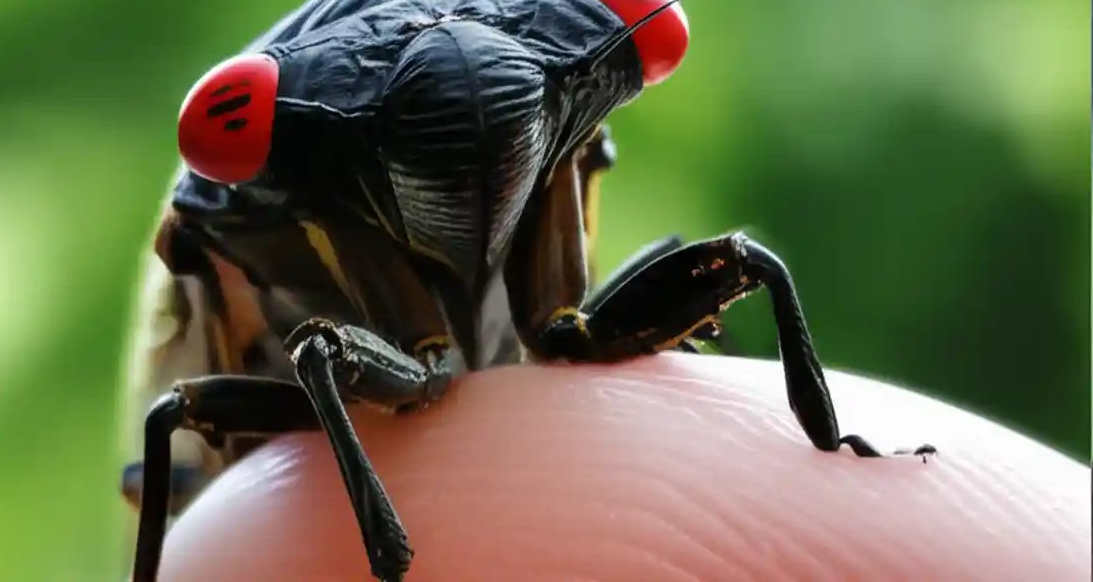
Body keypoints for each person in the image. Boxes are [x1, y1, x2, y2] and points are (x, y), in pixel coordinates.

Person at [150, 353, 1090, 581]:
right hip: (253, 439)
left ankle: (828, 431)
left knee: (736, 261)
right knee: (179, 416)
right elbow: (173, 419)